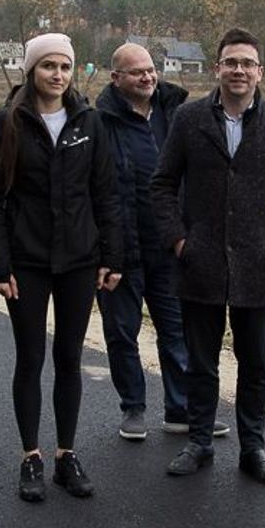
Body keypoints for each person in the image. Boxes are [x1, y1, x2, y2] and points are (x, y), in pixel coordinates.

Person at [151, 27, 265, 486]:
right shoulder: (188, 119)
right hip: (199, 265)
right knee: (200, 362)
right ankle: (199, 441)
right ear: (217, 68)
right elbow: (162, 183)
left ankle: (253, 448)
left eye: (247, 63)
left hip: (258, 268)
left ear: (260, 72)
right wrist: (180, 241)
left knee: (256, 364)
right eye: (231, 62)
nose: (238, 70)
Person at [0, 32, 123, 503]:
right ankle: (31, 457)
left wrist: (112, 256)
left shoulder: (89, 122)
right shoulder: (7, 123)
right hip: (28, 262)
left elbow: (106, 193)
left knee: (69, 359)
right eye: (48, 67)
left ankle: (65, 455)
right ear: (31, 71)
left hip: (80, 261)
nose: (57, 75)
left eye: (64, 67)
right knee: (30, 358)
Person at [94, 43, 228, 441]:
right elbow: (95, 191)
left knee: (178, 333)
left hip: (170, 248)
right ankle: (133, 408)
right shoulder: (100, 123)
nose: (149, 77)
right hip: (120, 252)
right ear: (116, 78)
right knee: (122, 333)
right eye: (137, 72)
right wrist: (104, 252)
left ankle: (181, 409)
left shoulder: (177, 115)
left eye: (151, 69)